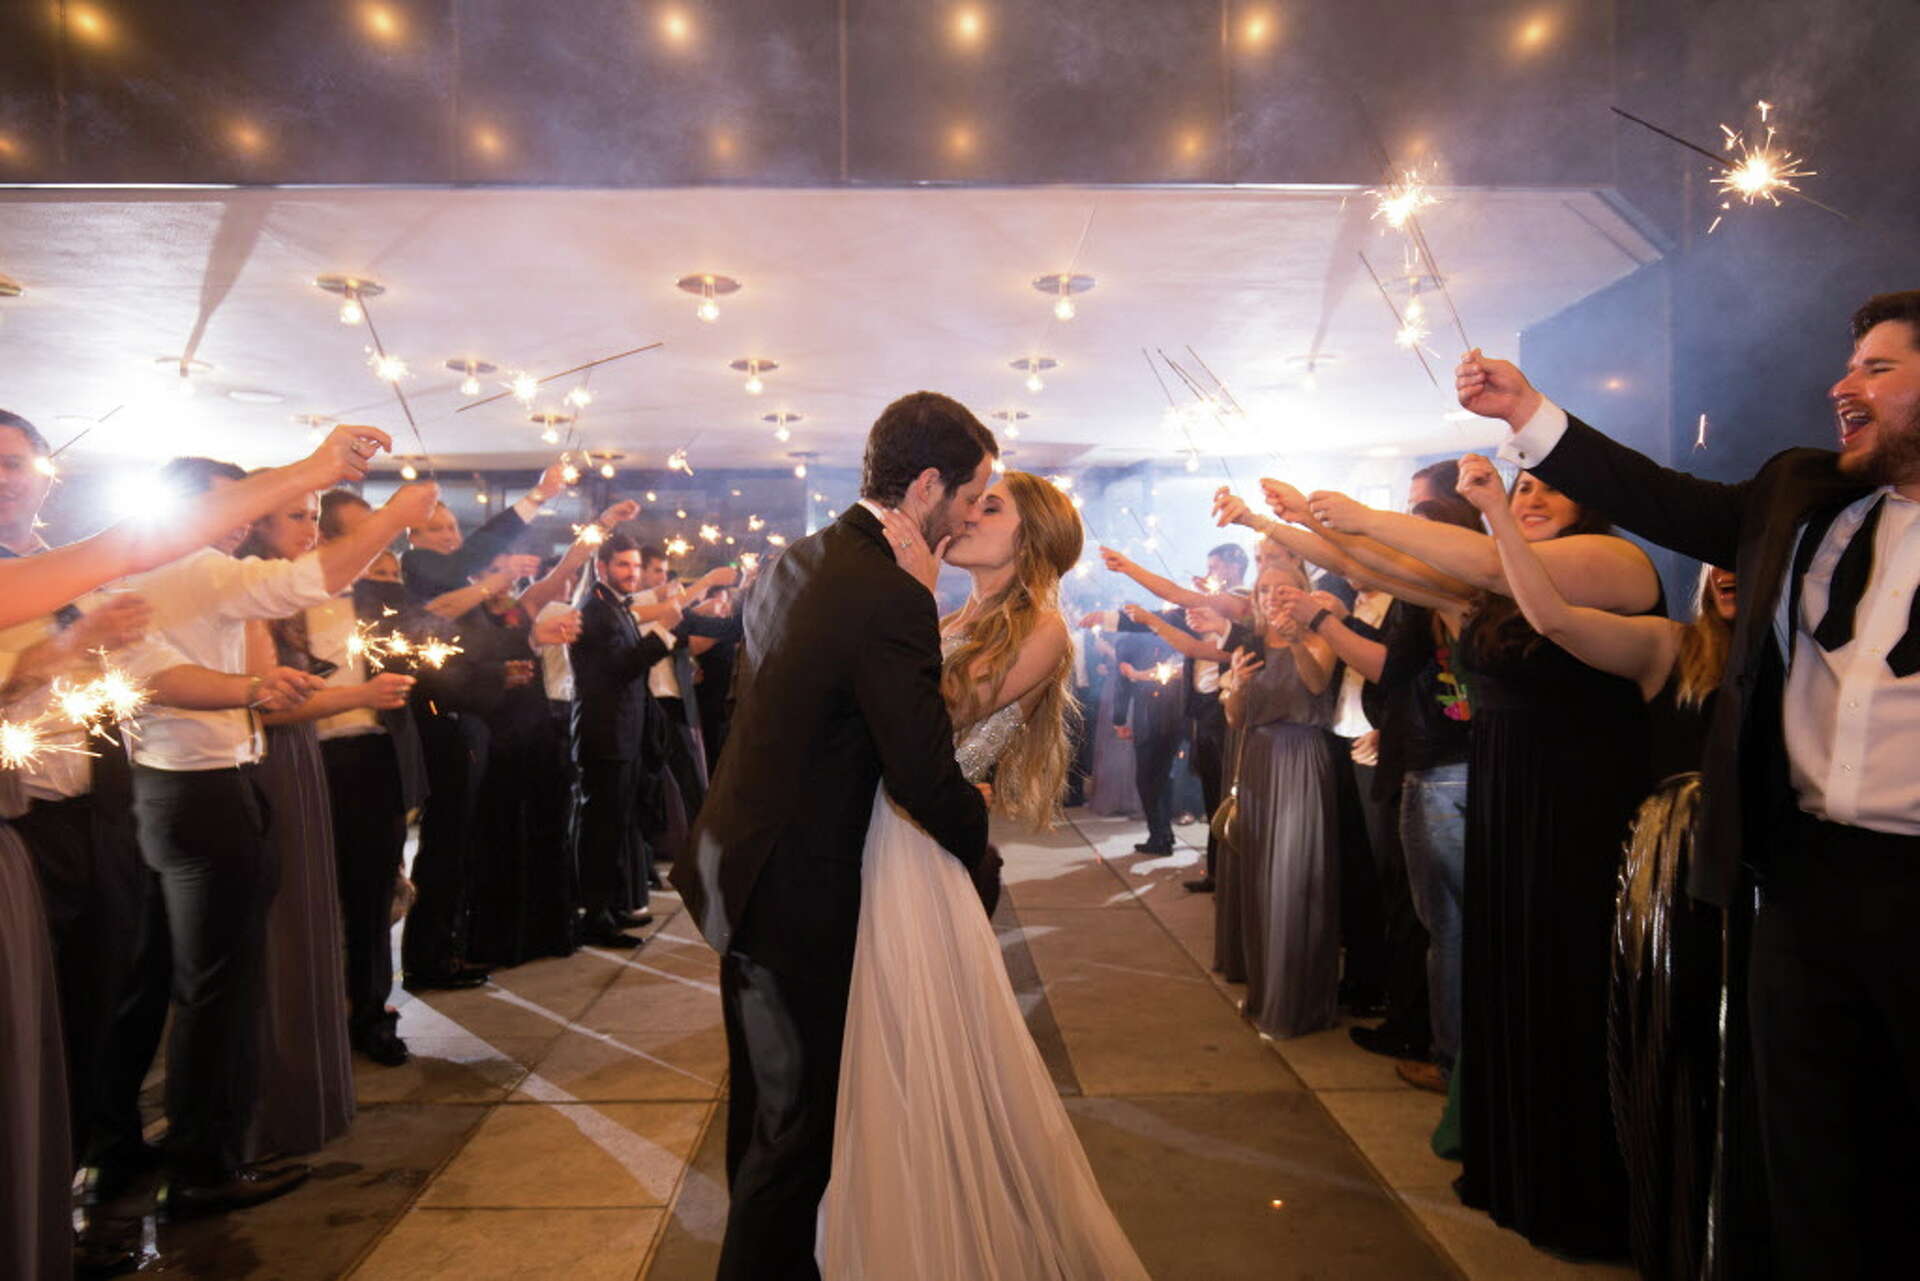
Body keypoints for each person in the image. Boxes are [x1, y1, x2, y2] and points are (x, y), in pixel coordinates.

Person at [1457, 290, 1920, 1279]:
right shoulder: (1808, 494)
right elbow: (1664, 497)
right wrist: (1528, 414)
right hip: (1796, 881)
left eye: (1878, 368)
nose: (1844, 386)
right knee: (1805, 1157)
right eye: (1849, 368)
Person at [0, 419, 394, 1278]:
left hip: (107, 806)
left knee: (106, 1003)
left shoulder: (81, 576)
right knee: (153, 998)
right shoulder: (116, 571)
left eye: (19, 464)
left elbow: (147, 669)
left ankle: (86, 1181)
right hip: (67, 816)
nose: (10, 480)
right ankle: (166, 1172)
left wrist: (250, 681)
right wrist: (370, 497)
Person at [1306, 453, 1664, 1257]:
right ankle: (1517, 1159)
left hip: (1576, 802)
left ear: (1594, 500)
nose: (1529, 495)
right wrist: (1295, 525)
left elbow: (1462, 556)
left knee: (1563, 975)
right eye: (1522, 484)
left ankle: (1580, 1183)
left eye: (1545, 486)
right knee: (1504, 969)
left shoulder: (1616, 562)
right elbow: (1413, 571)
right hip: (1508, 795)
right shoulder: (1504, 585)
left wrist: (1367, 515)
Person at [675, 391, 998, 1281]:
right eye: (972, 494)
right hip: (795, 888)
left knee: (764, 1112)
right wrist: (982, 854)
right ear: (928, 484)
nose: (973, 513)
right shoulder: (890, 592)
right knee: (795, 1132)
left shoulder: (800, 556)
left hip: (736, 865)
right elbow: (924, 771)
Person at [817, 469, 1148, 1278]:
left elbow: (938, 714)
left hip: (917, 851)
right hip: (880, 833)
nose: (968, 513)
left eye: (989, 505)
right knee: (883, 1043)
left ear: (1032, 535)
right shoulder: (958, 611)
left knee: (917, 1044)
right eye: (973, 498)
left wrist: (911, 590)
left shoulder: (1043, 627)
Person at [115, 456, 435, 1217]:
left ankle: (153, 1147)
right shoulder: (186, 565)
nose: (241, 517)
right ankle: (203, 1161)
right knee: (214, 986)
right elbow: (294, 587)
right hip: (197, 790)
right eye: (236, 503)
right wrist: (392, 517)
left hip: (188, 787)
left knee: (180, 981)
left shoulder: (177, 567)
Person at [1458, 448, 1750, 1279]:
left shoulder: (1800, 661)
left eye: (1747, 560)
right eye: (1719, 561)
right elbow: (1550, 618)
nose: (1730, 573)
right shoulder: (1671, 643)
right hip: (1669, 868)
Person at [1224, 565, 1340, 1038]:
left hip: (1301, 760)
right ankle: (1265, 992)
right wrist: (1236, 688)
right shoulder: (1247, 645)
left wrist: (1295, 639)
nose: (1272, 597)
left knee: (1295, 880)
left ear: (1303, 593)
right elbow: (1236, 719)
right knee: (1260, 881)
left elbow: (1316, 686)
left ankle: (1297, 1004)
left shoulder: (1321, 637)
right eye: (1264, 590)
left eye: (1282, 589)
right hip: (1257, 761)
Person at [570, 533, 678, 948]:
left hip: (625, 733)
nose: (632, 574)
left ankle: (611, 908)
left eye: (635, 566)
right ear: (602, 567)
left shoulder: (617, 608)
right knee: (600, 830)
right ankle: (595, 916)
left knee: (615, 828)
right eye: (623, 566)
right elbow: (616, 670)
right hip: (604, 734)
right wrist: (662, 636)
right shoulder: (594, 612)